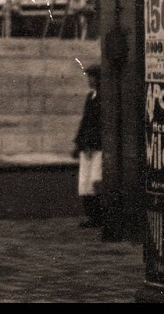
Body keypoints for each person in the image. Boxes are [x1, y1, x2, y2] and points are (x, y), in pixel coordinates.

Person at [73, 64, 104, 228]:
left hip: (96, 147)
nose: (89, 80)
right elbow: (85, 121)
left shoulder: (103, 98)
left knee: (95, 180)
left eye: (92, 77)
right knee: (84, 182)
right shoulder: (90, 97)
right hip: (87, 146)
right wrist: (79, 143)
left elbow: (98, 124)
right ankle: (91, 215)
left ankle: (98, 216)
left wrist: (92, 143)